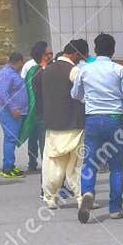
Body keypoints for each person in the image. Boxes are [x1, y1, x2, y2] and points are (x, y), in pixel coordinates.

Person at [71, 32, 123, 223]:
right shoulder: (120, 70)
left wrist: (88, 99)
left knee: (89, 162)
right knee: (116, 167)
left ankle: (87, 192)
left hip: (92, 119)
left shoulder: (85, 70)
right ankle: (115, 208)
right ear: (113, 50)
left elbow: (75, 94)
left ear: (95, 49)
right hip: (115, 119)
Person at [39, 40, 87, 209]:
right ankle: (81, 197)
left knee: (53, 162)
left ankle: (50, 197)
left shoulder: (46, 70)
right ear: (75, 54)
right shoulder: (74, 71)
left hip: (53, 123)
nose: (82, 60)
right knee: (76, 164)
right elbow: (83, 95)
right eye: (82, 56)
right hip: (74, 123)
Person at [0, 52, 29, 178]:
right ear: (19, 62)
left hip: (14, 111)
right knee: (10, 138)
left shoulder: (12, 73)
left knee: (12, 139)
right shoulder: (6, 74)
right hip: (9, 112)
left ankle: (10, 165)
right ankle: (7, 167)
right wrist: (13, 108)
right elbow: (3, 93)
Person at [20, 41, 50, 174]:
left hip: (36, 109)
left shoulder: (35, 68)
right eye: (48, 53)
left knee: (37, 137)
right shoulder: (32, 68)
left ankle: (37, 163)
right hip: (37, 109)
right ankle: (35, 163)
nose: (50, 55)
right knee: (37, 138)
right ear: (43, 54)